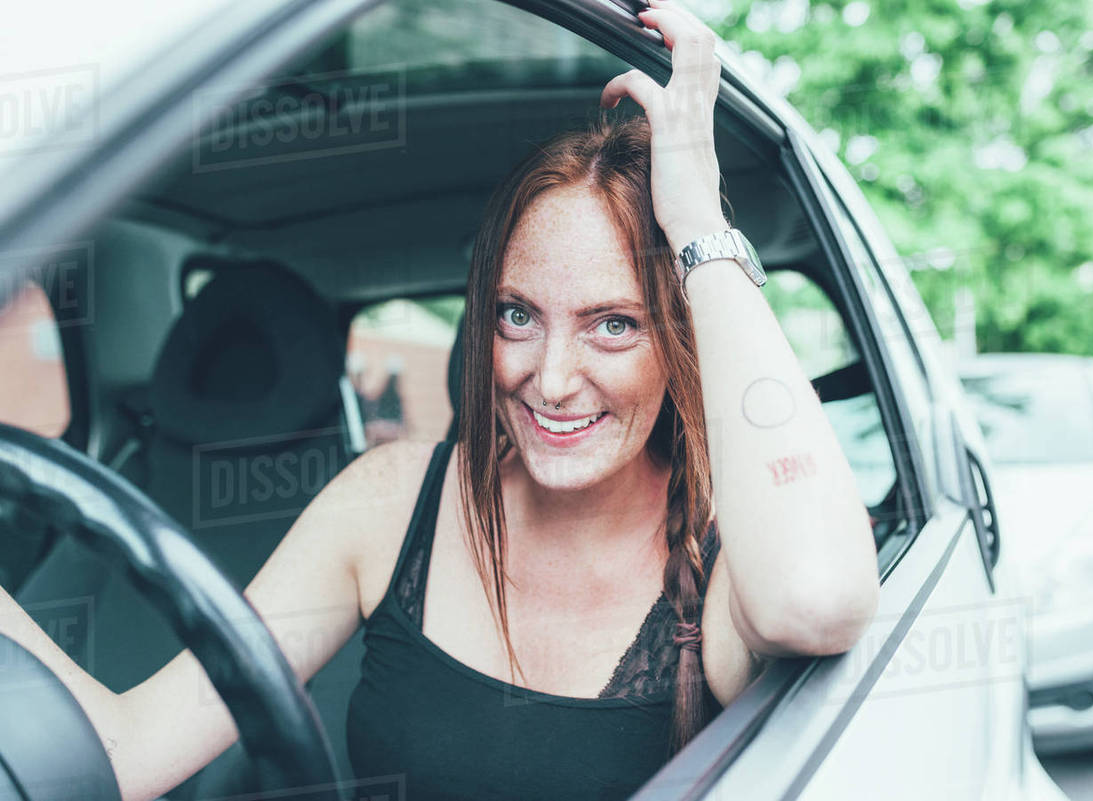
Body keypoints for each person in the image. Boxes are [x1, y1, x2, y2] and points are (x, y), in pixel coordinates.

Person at [0, 2, 879, 800]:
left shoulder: (727, 552)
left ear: (676, 341)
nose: (553, 375)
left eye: (614, 324)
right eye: (516, 315)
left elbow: (817, 598)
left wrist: (696, 226)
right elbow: (129, 751)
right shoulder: (388, 503)